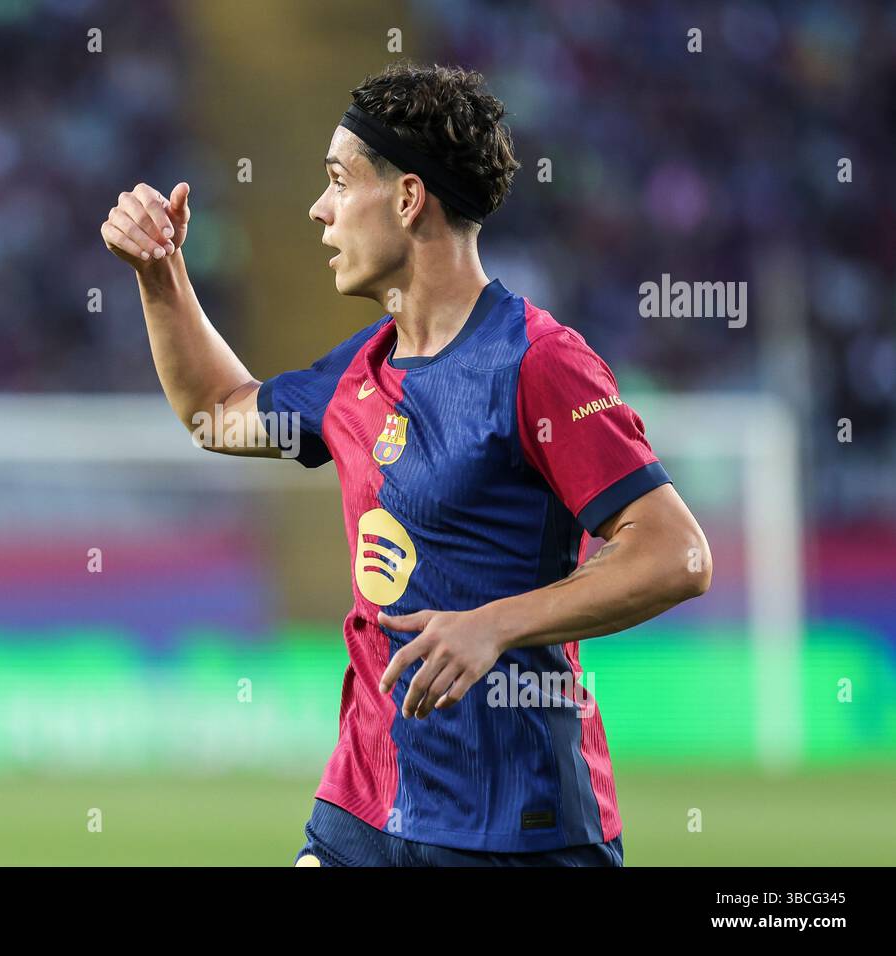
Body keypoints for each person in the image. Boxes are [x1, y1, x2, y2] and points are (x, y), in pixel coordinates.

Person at [101, 61, 712, 867]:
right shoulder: (362, 369)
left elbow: (677, 553)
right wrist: (161, 276)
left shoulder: (538, 363)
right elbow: (217, 412)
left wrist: (494, 625)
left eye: (337, 181)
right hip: (359, 812)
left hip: (517, 829)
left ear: (407, 197)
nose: (319, 211)